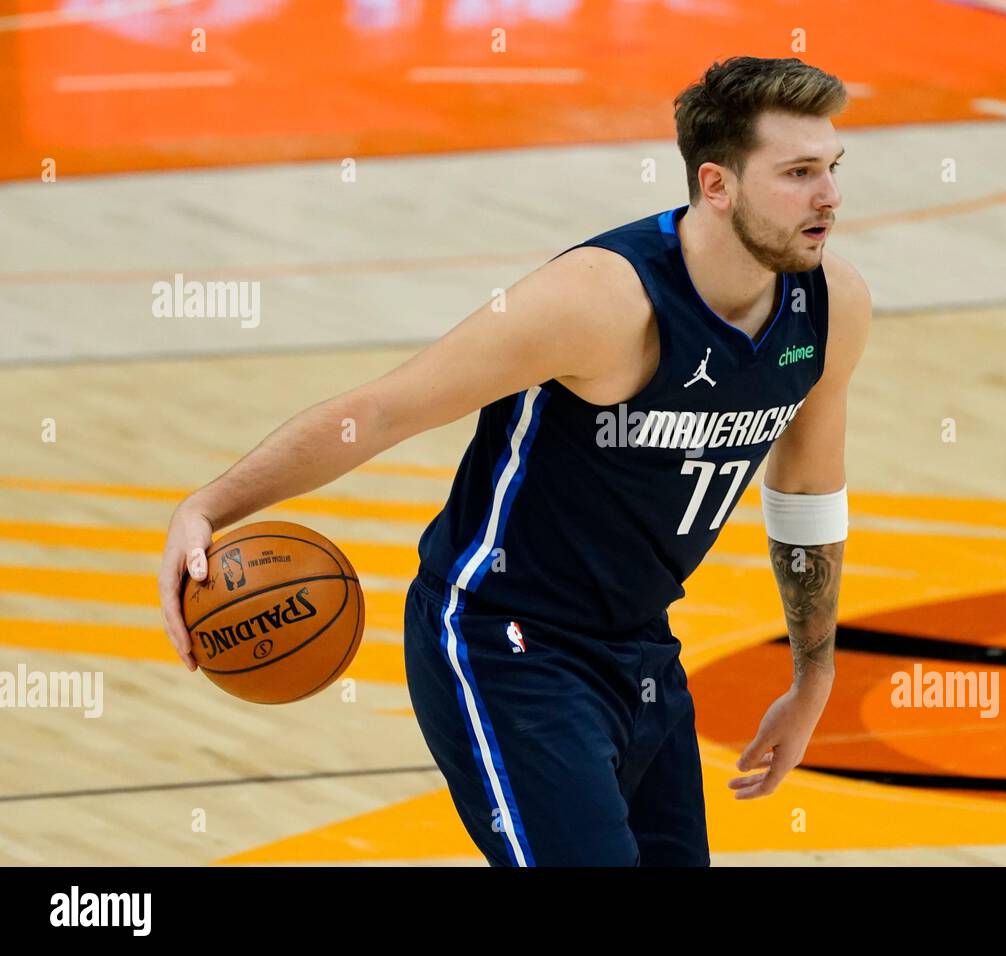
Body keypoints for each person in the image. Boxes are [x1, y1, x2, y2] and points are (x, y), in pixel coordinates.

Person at [158, 55, 872, 866]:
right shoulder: (600, 302)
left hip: (641, 645)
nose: (830, 197)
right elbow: (384, 408)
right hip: (505, 643)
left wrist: (813, 679)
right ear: (717, 184)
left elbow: (808, 489)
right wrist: (210, 506)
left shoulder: (830, 304)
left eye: (833, 169)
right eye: (800, 173)